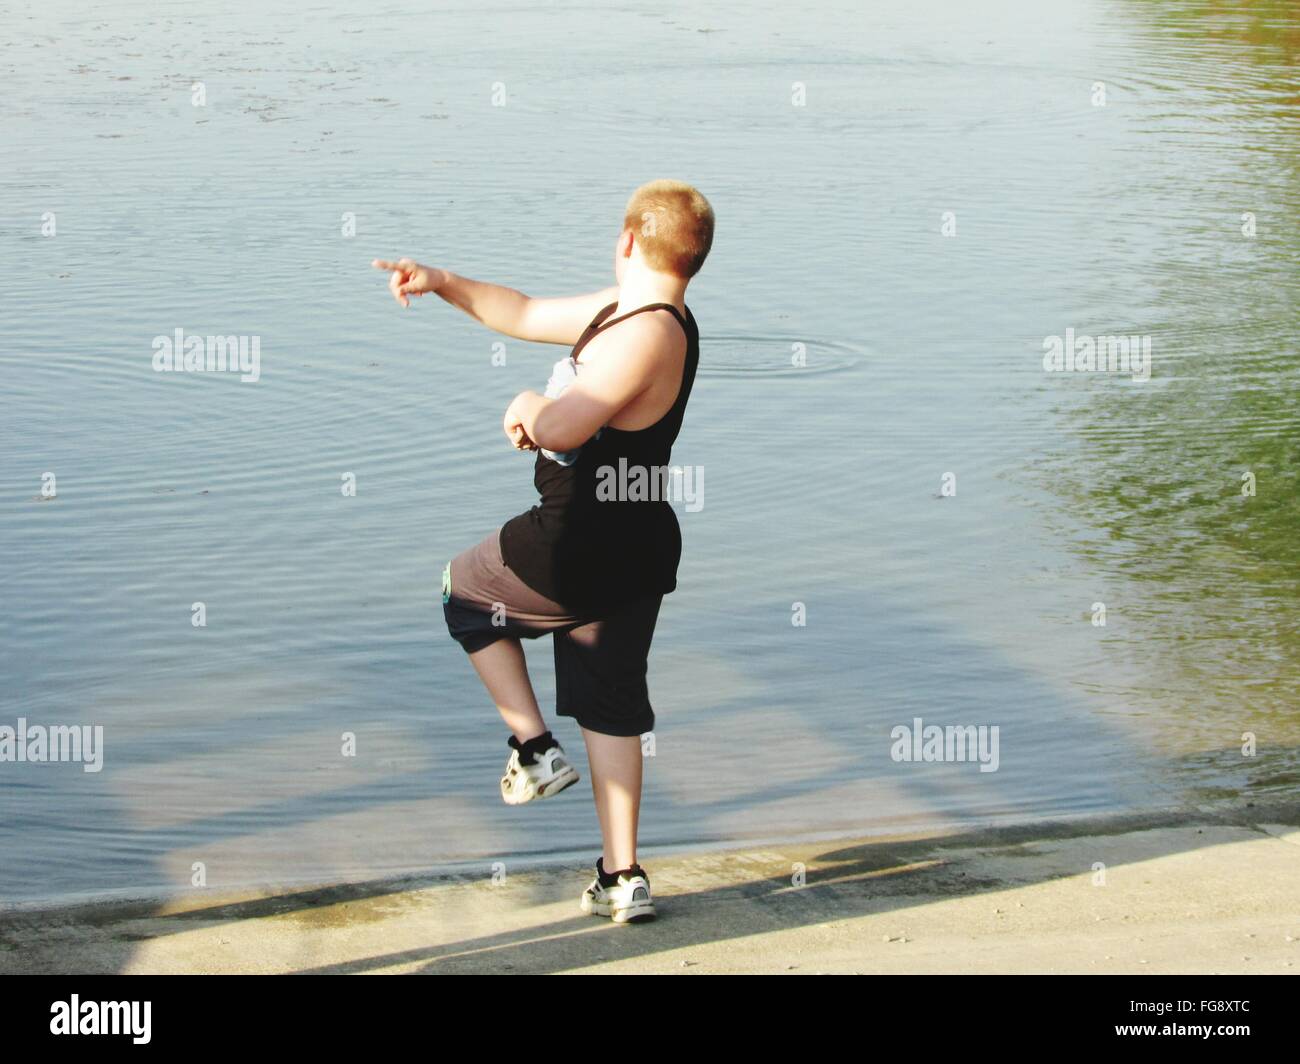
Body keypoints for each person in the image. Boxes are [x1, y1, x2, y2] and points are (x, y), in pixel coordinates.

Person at [372, 179, 713, 923]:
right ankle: (621, 878)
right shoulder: (633, 313)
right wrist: (444, 282)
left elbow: (562, 428)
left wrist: (528, 406)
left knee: (463, 593)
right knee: (610, 704)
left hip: (578, 543)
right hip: (635, 544)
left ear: (627, 240)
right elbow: (521, 312)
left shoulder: (646, 333)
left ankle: (532, 748)